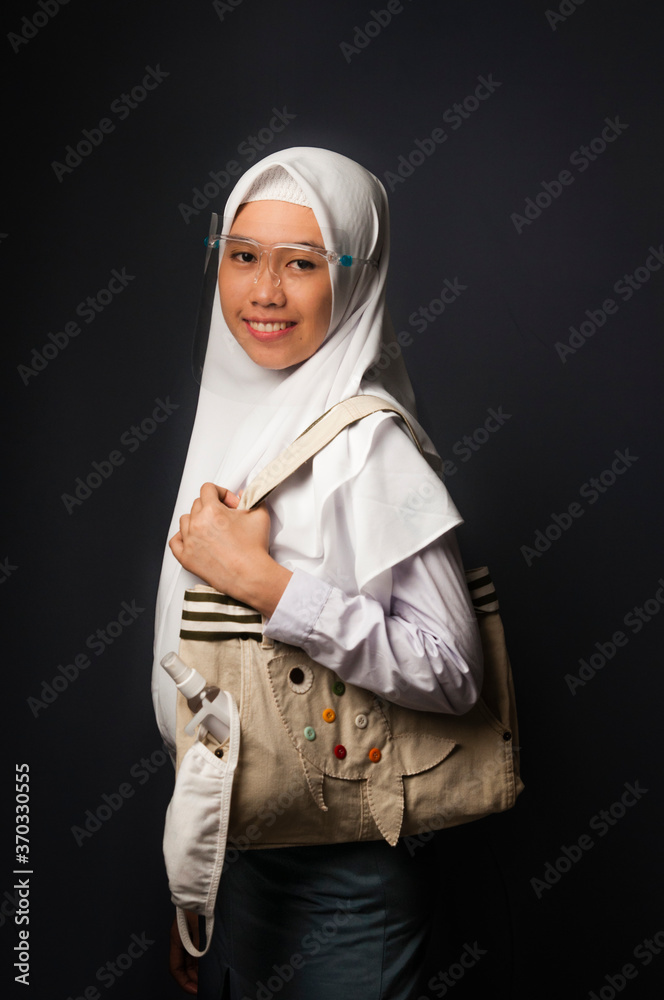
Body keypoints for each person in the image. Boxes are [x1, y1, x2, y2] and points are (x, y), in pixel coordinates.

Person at [151, 147, 484, 999]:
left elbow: (453, 674)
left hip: (348, 874)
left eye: (302, 264)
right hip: (242, 854)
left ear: (357, 278)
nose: (264, 291)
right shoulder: (241, 418)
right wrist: (195, 887)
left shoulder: (367, 445)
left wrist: (266, 584)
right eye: (242, 255)